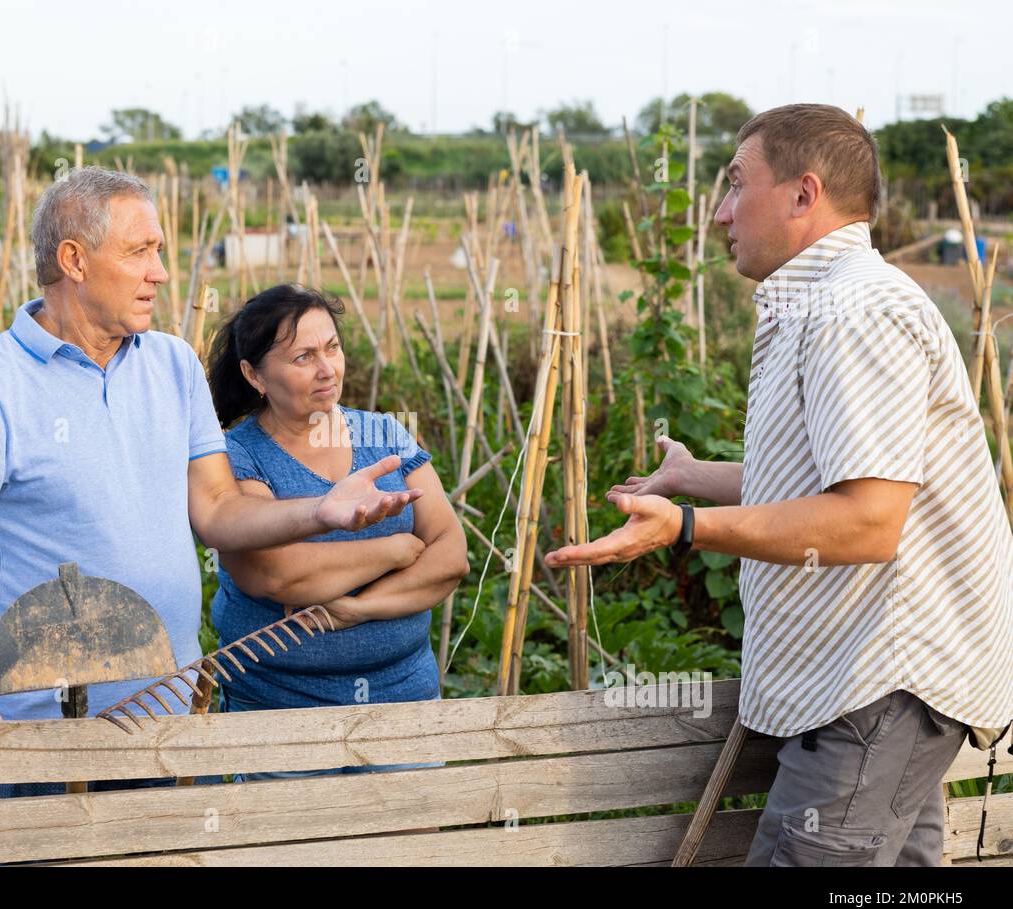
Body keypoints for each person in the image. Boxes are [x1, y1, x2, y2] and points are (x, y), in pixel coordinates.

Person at [544, 104, 1012, 866]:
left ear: (803, 194)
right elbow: (839, 479)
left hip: (878, 679)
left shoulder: (854, 310)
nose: (721, 212)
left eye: (735, 185)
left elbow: (866, 522)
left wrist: (685, 528)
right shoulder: (823, 301)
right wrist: (693, 477)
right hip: (878, 680)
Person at [0, 169, 423, 798]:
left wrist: (321, 512)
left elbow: (219, 510)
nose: (160, 272)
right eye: (139, 251)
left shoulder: (172, 364)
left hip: (170, 724)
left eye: (160, 252)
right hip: (48, 740)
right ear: (74, 260)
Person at [206, 284, 469, 781]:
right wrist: (396, 549)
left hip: (403, 704)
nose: (327, 369)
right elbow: (276, 575)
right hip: (282, 718)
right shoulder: (237, 455)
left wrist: (351, 611)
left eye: (333, 348)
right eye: (303, 356)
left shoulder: (383, 435)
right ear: (253, 375)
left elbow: (451, 558)